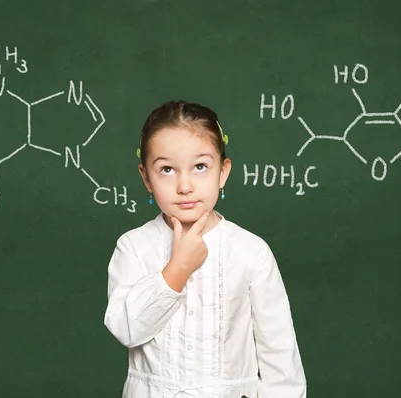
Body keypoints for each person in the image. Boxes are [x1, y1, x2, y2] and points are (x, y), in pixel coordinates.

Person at [104, 100, 307, 397]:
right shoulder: (133, 247)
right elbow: (125, 328)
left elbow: (280, 359)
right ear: (146, 177)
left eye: (200, 167)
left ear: (222, 172)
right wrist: (178, 268)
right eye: (167, 169)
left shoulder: (250, 251)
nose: (184, 185)